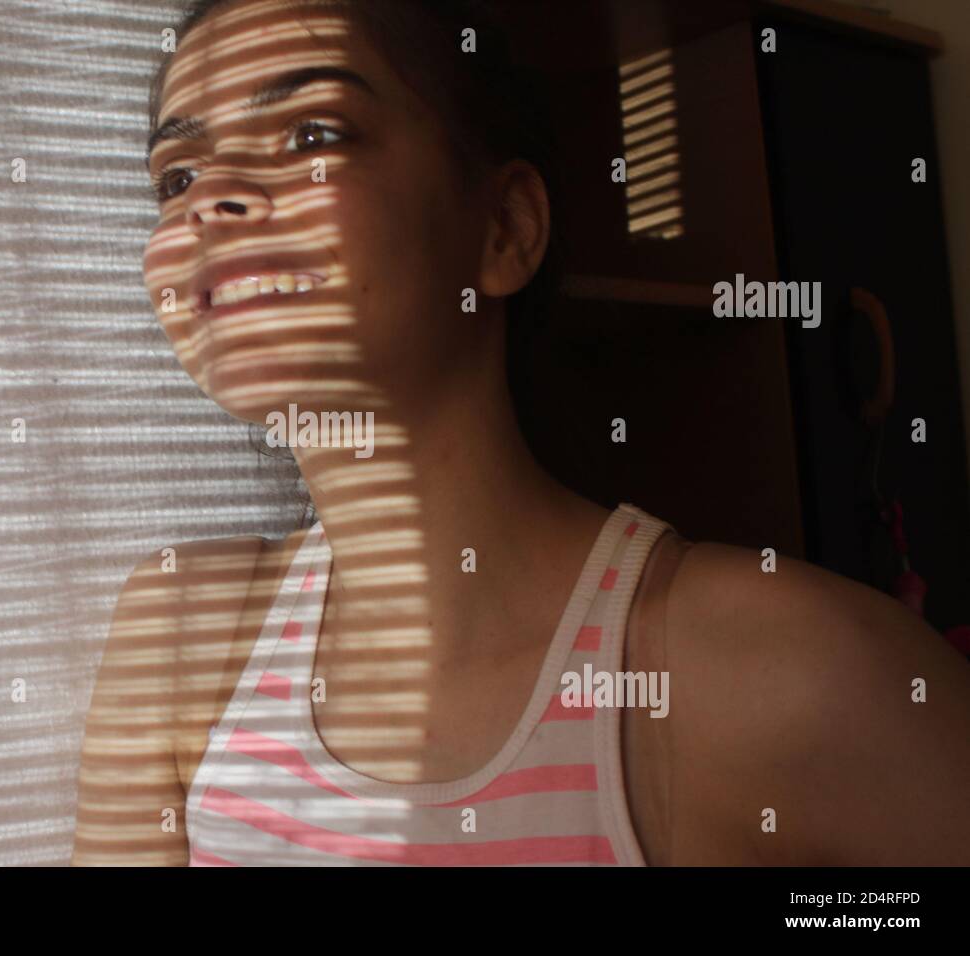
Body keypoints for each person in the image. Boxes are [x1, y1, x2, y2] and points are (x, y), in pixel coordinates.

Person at [72, 0, 970, 866]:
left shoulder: (786, 672)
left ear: (504, 229)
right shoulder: (178, 632)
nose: (208, 199)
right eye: (176, 178)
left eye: (313, 135)